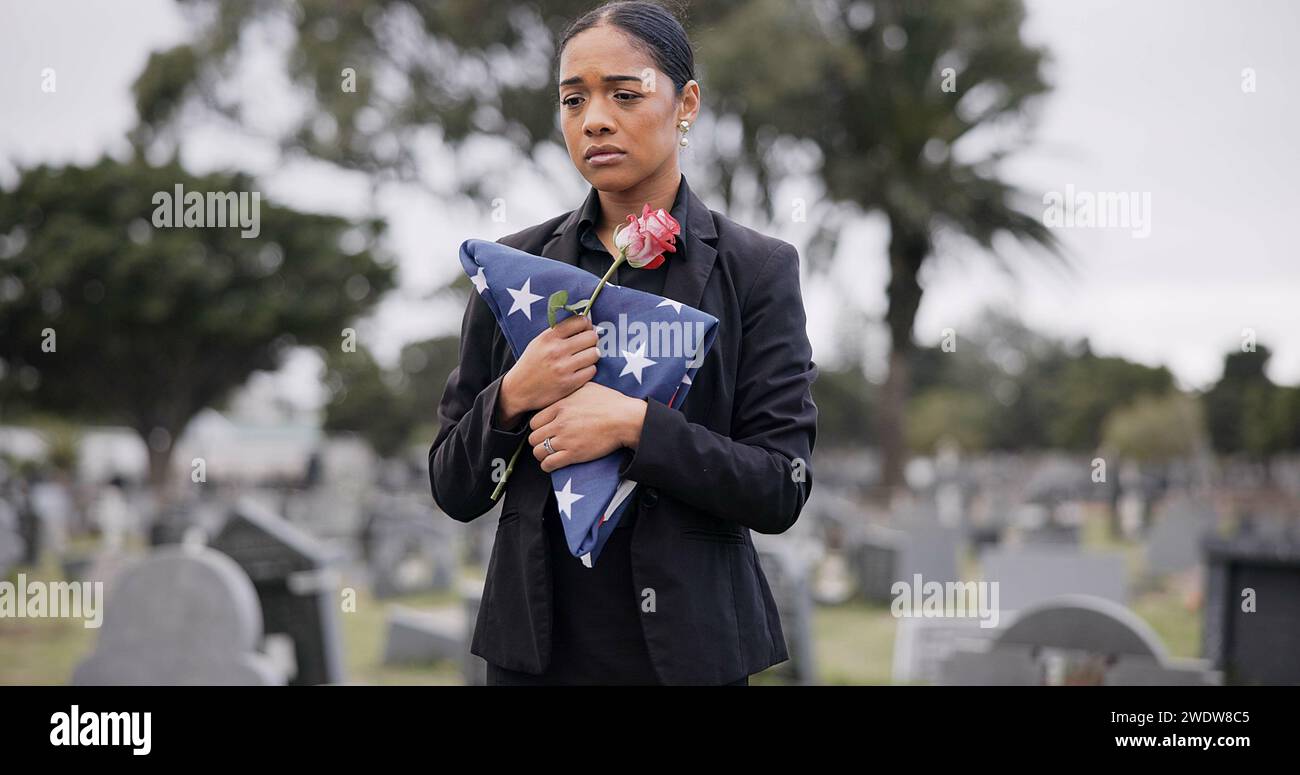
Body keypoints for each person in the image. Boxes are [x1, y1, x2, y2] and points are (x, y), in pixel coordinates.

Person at [429, 1, 818, 686]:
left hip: (690, 656)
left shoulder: (755, 270)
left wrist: (633, 425)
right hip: (535, 656)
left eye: (624, 93)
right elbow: (454, 486)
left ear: (685, 102)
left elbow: (778, 485)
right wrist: (517, 392)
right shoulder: (510, 270)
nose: (595, 119)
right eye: (573, 99)